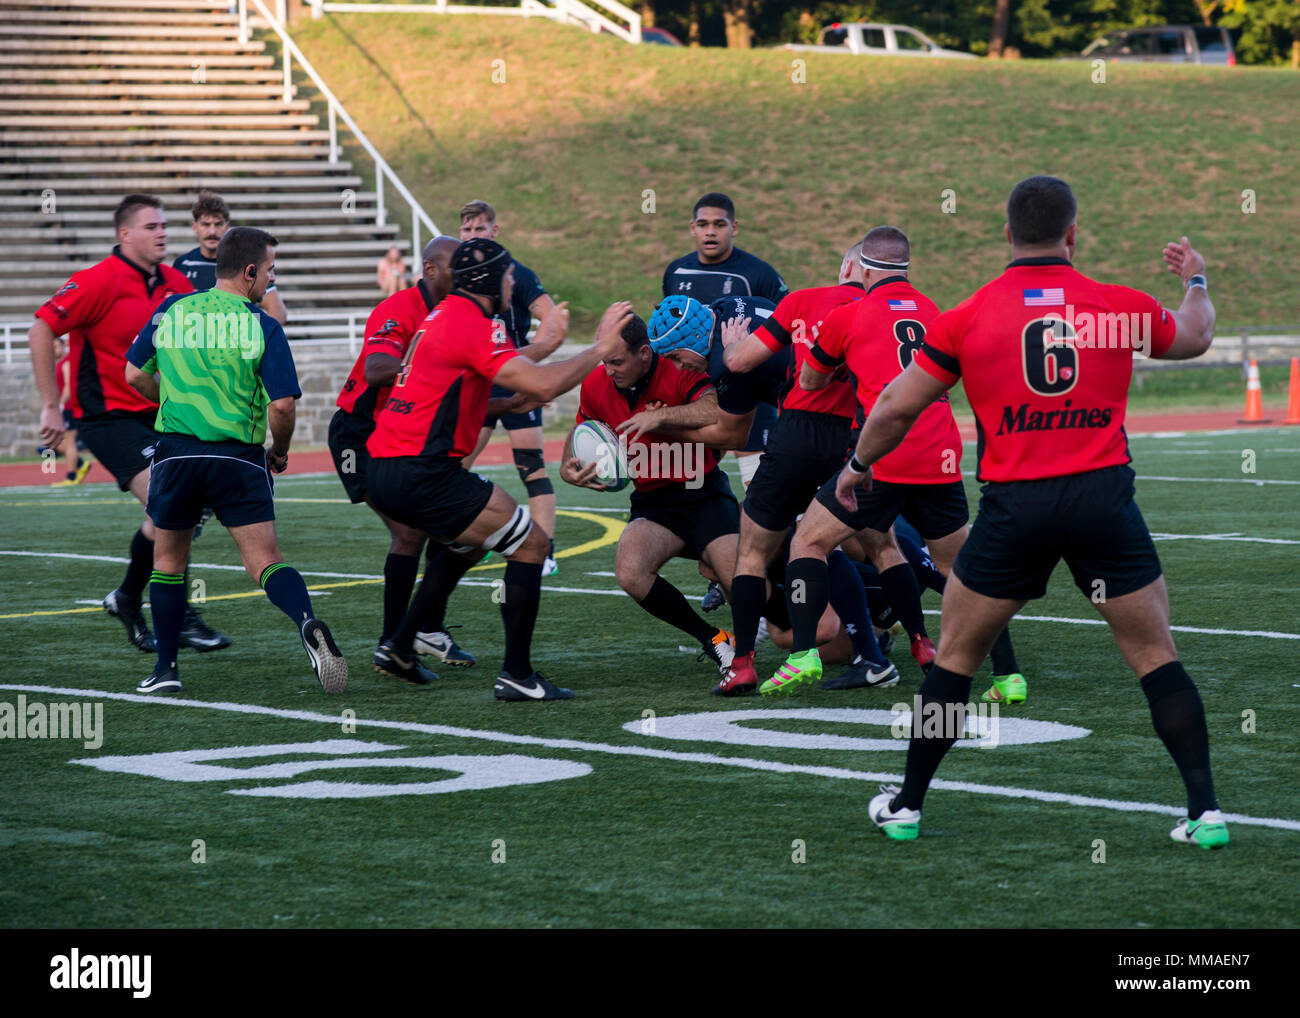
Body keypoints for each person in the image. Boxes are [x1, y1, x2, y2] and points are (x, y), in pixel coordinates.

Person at [838, 177, 1226, 849]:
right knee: (1153, 654)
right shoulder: (1117, 305)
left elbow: (897, 405)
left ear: (1007, 233)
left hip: (1017, 506)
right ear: (1072, 234)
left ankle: (906, 805)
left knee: (956, 660)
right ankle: (1206, 813)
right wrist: (1195, 279)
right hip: (1102, 500)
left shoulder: (969, 315)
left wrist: (855, 467)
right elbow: (1196, 336)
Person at [365, 238, 623, 701]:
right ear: (488, 280)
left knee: (468, 545)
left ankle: (400, 646)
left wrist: (510, 401)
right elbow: (542, 385)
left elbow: (448, 392)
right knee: (532, 545)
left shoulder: (443, 315)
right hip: (423, 471)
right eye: (508, 276)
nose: (513, 285)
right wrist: (600, 348)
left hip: (386, 465)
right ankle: (518, 676)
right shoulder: (473, 323)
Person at [124, 227, 348, 695]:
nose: (271, 280)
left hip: (177, 455)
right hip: (239, 459)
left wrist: (174, 400)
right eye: (269, 271)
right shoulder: (262, 324)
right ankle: (306, 621)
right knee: (265, 561)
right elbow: (282, 405)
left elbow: (133, 374)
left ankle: (166, 670)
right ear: (249, 272)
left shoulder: (171, 309)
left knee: (168, 561)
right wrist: (280, 451)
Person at [29, 194, 230, 655]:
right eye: (151, 227)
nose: (162, 233)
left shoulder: (175, 282)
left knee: (177, 512)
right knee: (172, 501)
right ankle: (178, 615)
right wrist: (49, 406)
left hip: (161, 413)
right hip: (108, 418)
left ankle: (127, 597)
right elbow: (40, 329)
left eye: (164, 225)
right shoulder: (96, 280)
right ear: (125, 235)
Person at [706, 243, 896, 697]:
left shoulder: (804, 301)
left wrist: (731, 347)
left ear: (847, 265)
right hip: (857, 438)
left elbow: (740, 363)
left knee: (752, 552)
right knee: (875, 545)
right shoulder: (883, 313)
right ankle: (911, 650)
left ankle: (743, 665)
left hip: (798, 432)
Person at [328, 235, 483, 669]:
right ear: (430, 269)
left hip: (408, 435)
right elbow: (378, 368)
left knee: (454, 527)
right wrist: (438, 372)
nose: (465, 276)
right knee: (411, 533)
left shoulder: (456, 312)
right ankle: (393, 642)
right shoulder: (397, 308)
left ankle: (425, 630)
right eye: (456, 267)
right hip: (361, 435)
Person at [561, 313, 738, 683]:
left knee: (745, 586)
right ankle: (715, 639)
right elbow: (584, 430)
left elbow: (713, 409)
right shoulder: (597, 383)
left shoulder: (678, 367)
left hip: (702, 493)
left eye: (616, 361)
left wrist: (662, 417)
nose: (609, 370)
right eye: (605, 361)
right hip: (653, 502)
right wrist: (568, 468)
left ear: (643, 353)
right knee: (631, 572)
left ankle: (801, 615)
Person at [663, 192, 788, 608]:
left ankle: (755, 571)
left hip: (754, 391)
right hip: (703, 387)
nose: (711, 232)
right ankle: (723, 563)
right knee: (699, 482)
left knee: (761, 493)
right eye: (703, 224)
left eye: (719, 224)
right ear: (692, 228)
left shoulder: (758, 273)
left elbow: (785, 324)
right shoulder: (676, 270)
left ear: (734, 227)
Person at [457, 200, 563, 575]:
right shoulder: (457, 278)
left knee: (531, 466)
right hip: (476, 383)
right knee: (456, 467)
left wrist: (530, 366)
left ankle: (544, 551)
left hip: (513, 381)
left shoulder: (516, 273)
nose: (473, 235)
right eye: (467, 229)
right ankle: (470, 539)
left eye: (480, 228)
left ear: (495, 231)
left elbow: (550, 315)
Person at [174, 190, 288, 325]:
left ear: (227, 226)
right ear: (195, 227)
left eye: (218, 224)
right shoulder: (183, 264)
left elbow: (278, 313)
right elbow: (176, 311)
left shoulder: (244, 264)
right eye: (206, 224)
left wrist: (248, 333)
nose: (212, 231)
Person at [51, 338, 91, 486]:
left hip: (69, 408)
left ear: (63, 346)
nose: (54, 350)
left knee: (69, 443)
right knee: (57, 443)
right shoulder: (59, 363)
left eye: (56, 347)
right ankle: (80, 464)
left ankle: (71, 476)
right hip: (64, 408)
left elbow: (69, 386)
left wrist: (61, 405)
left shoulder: (67, 362)